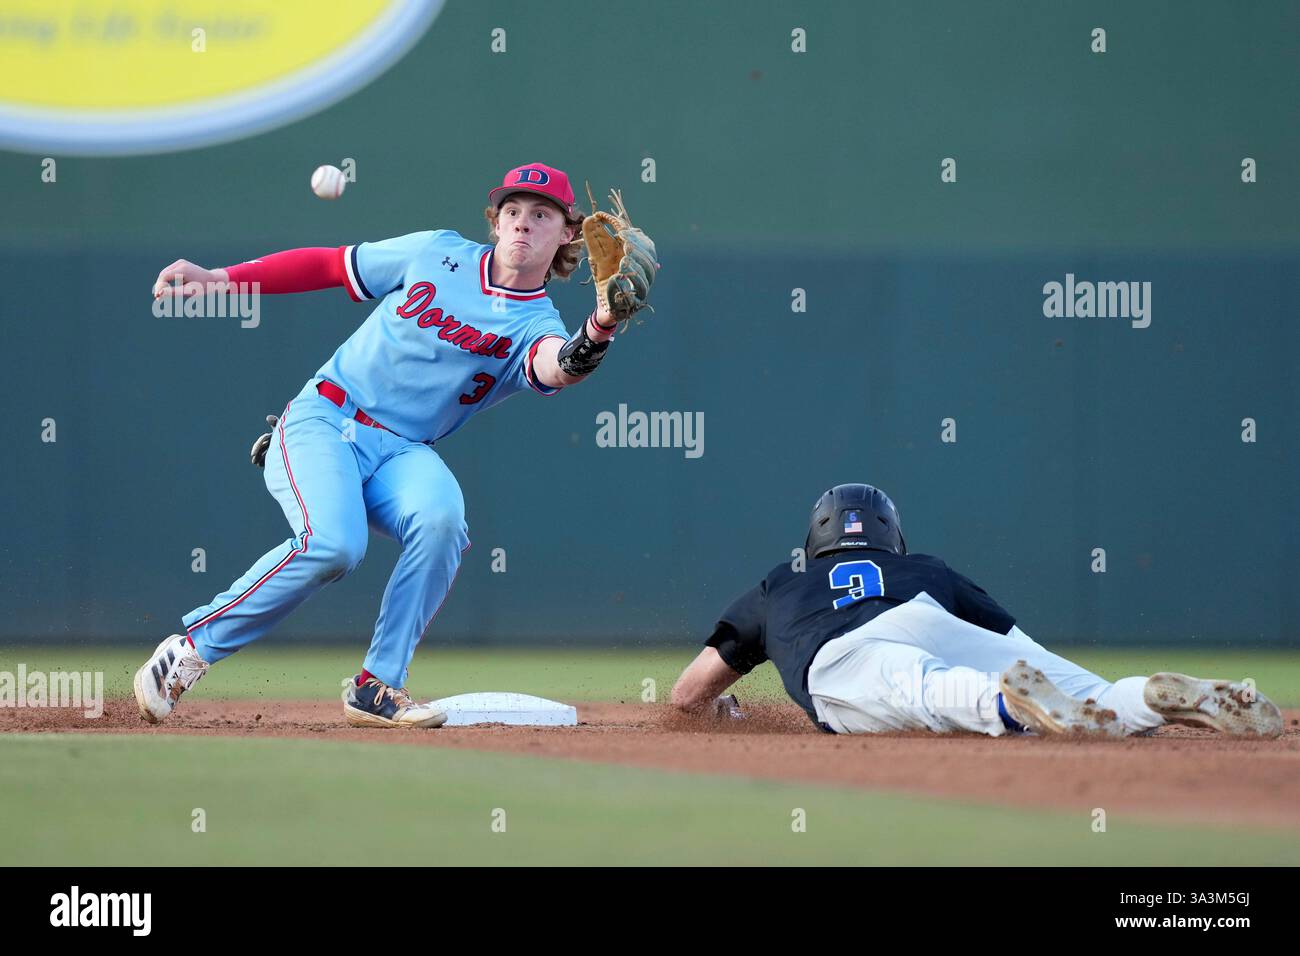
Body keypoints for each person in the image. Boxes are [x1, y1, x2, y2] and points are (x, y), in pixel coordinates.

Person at [135, 162, 656, 728]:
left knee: (442, 521)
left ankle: (377, 684)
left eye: (540, 214)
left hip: (403, 450)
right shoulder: (435, 252)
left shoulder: (538, 322)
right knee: (335, 546)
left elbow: (558, 368)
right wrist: (221, 279)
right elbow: (330, 265)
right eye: (511, 211)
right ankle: (187, 652)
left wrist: (601, 324)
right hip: (326, 418)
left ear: (568, 233)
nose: (521, 225)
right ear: (495, 220)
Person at [671, 483, 1283, 738]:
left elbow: (687, 692)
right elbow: (1029, 649)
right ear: (892, 537)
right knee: (1090, 707)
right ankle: (1146, 699)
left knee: (930, 693)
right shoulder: (926, 568)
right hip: (927, 614)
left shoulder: (782, 582)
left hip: (844, 655)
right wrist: (1052, 675)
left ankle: (1004, 703)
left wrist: (717, 708)